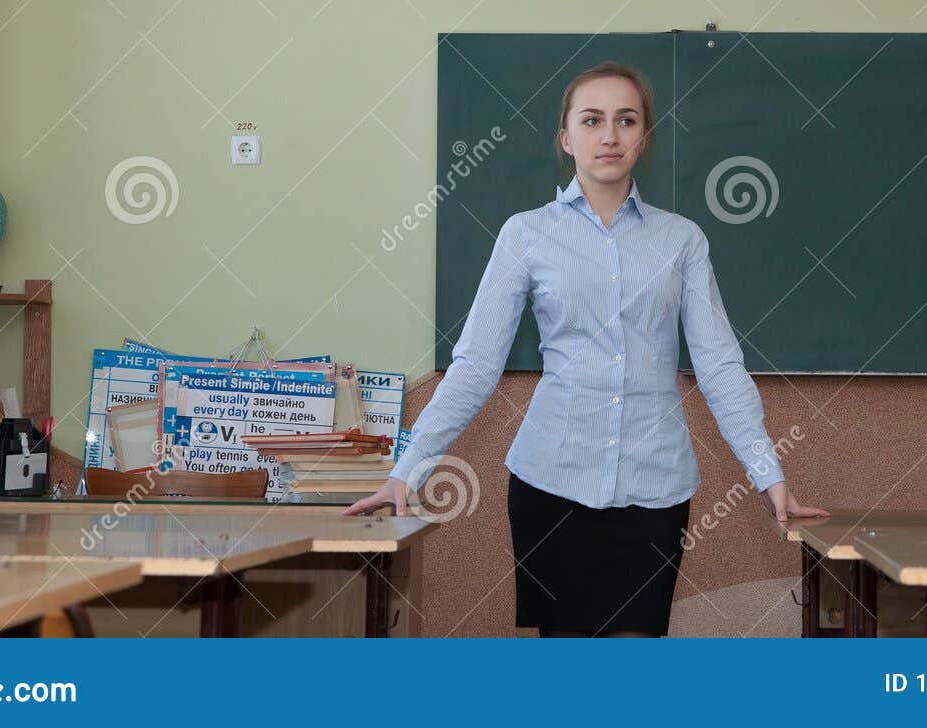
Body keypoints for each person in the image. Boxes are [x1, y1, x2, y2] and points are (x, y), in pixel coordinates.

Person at [345, 61, 827, 637]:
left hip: (655, 491)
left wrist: (769, 475)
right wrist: (408, 471)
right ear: (565, 137)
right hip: (551, 486)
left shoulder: (682, 240)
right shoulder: (526, 234)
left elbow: (720, 366)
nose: (609, 135)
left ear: (643, 139)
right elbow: (475, 364)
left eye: (626, 121)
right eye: (592, 120)